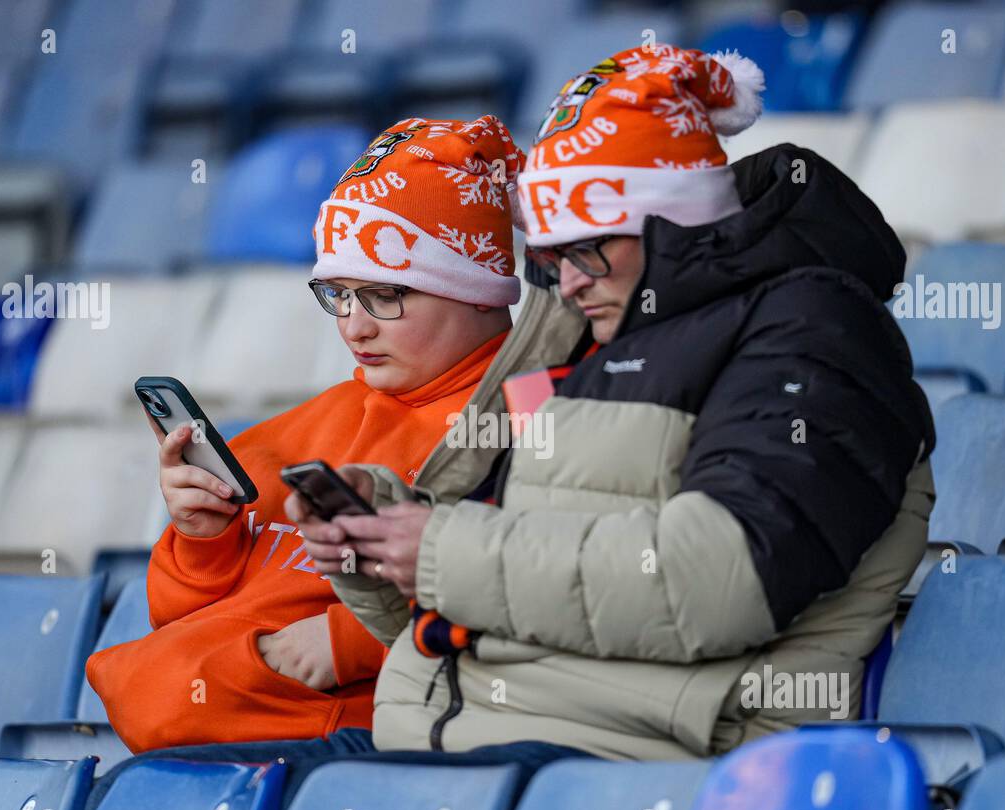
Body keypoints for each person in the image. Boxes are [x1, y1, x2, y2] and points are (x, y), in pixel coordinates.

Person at [309, 44, 937, 759]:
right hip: (467, 742)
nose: (569, 283)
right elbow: (514, 601)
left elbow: (715, 582)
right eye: (550, 256)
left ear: (669, 219)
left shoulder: (813, 333)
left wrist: (440, 548)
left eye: (587, 248)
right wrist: (380, 545)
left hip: (631, 768)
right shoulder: (599, 345)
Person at [86, 115, 526, 753]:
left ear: (479, 291)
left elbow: (534, 586)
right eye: (338, 296)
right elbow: (178, 615)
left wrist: (351, 641)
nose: (354, 328)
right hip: (208, 742)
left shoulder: (529, 419)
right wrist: (203, 539)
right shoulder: (312, 421)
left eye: (384, 295)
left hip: (354, 745)